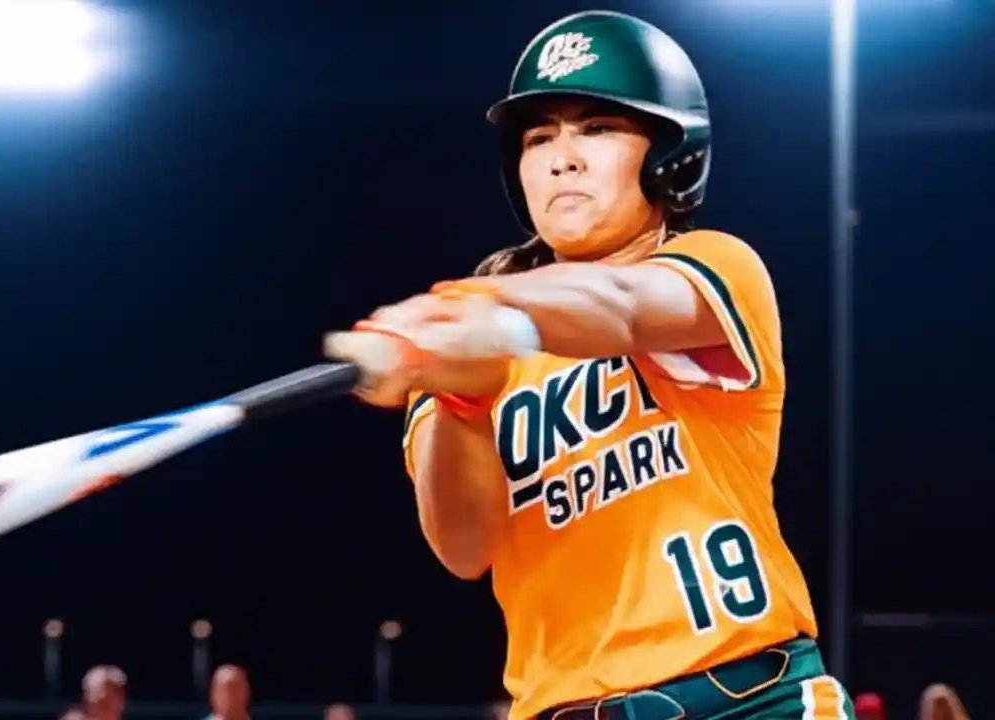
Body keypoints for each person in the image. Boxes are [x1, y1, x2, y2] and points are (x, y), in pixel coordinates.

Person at [325, 9, 855, 720]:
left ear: (669, 153)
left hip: (745, 696)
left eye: (597, 128)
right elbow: (464, 546)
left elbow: (623, 306)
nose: (561, 156)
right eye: (540, 137)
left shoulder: (710, 267)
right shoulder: (461, 342)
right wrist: (462, 396)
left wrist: (465, 310)